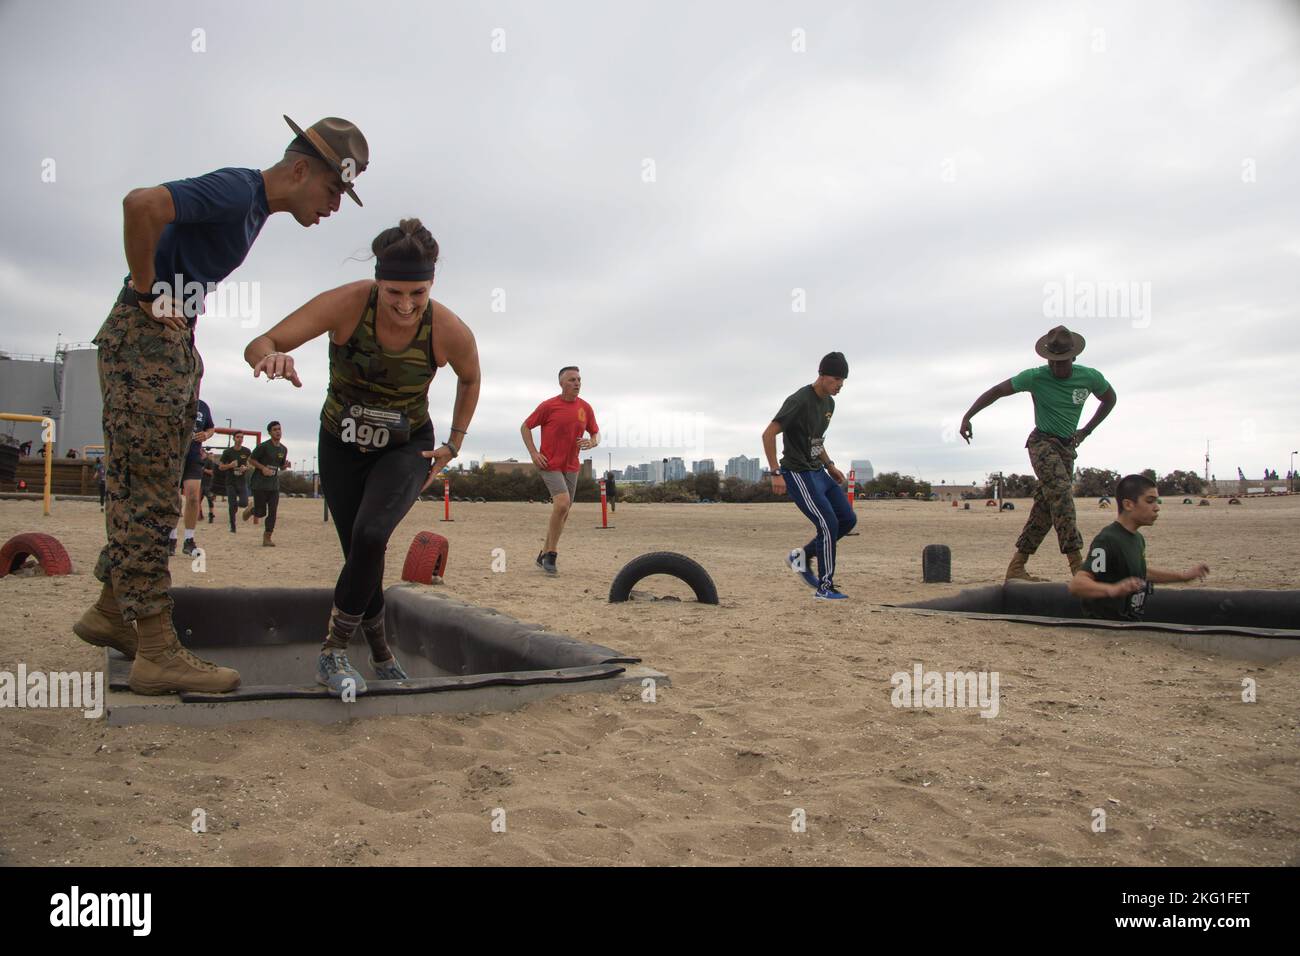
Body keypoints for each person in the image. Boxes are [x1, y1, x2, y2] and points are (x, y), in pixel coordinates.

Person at [73, 114, 369, 697]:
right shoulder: (240, 190)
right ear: (302, 169)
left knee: (153, 486)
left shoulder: (254, 208)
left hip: (168, 343)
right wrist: (146, 290)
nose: (334, 206)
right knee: (151, 495)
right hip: (145, 341)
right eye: (334, 190)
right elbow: (141, 205)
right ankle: (156, 650)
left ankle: (113, 611)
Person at [244, 218, 480, 695]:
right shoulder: (348, 304)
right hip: (341, 444)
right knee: (359, 550)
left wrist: (454, 442)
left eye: (418, 292)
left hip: (406, 445)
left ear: (432, 284)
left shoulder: (448, 328)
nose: (406, 305)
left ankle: (332, 651)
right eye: (394, 292)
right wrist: (271, 358)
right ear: (377, 280)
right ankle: (380, 649)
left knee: (373, 533)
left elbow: (470, 377)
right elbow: (262, 342)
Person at [959, 325, 1117, 582]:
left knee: (1045, 509)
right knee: (1063, 495)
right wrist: (968, 416)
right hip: (1042, 443)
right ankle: (1078, 567)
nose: (1057, 367)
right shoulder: (1034, 377)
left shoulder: (1090, 378)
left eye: (1062, 362)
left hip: (1067, 449)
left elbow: (1110, 399)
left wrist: (1087, 430)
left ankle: (1017, 566)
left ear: (1073, 357)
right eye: (1052, 362)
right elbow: (997, 391)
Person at [762, 352, 855, 600]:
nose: (840, 386)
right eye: (836, 380)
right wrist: (775, 472)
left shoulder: (829, 404)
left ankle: (799, 558)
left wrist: (830, 465)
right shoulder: (799, 401)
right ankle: (825, 588)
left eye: (843, 382)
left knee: (847, 520)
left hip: (817, 471)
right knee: (828, 524)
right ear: (822, 375)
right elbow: (768, 434)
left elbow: (816, 439)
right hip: (797, 472)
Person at [1068, 474, 1210, 620]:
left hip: (1131, 621)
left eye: (1156, 501)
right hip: (1108, 626)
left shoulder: (1137, 538)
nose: (1157, 508)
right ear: (1128, 504)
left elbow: (1138, 571)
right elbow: (1078, 584)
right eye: (1150, 501)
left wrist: (1183, 577)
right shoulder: (1107, 540)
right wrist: (1113, 589)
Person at [521, 367, 599, 574]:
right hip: (549, 464)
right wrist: (533, 453)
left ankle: (543, 552)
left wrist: (592, 442)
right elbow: (525, 426)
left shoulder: (585, 408)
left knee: (563, 511)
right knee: (562, 503)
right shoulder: (549, 406)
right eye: (572, 380)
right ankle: (552, 555)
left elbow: (596, 432)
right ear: (561, 383)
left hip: (572, 466)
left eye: (579, 379)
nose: (577, 383)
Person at [170, 398, 214, 556]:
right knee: (173, 498)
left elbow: (211, 427)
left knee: (194, 497)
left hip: (194, 457)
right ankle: (171, 537)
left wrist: (206, 435)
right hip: (172, 457)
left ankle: (189, 540)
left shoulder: (202, 405)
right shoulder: (172, 399)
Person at [244, 422, 288, 546]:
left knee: (273, 511)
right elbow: (251, 459)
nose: (278, 432)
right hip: (259, 484)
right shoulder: (263, 447)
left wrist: (285, 466)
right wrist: (263, 468)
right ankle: (253, 509)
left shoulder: (283, 449)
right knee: (261, 512)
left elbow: (281, 465)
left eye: (279, 429)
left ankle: (267, 537)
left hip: (273, 485)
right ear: (269, 432)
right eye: (274, 430)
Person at [219, 432, 252, 533]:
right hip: (230, 482)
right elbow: (220, 467)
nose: (240, 439)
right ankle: (232, 526)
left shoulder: (246, 451)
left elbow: (251, 464)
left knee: (244, 503)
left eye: (242, 437)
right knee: (231, 505)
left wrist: (245, 468)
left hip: (241, 481)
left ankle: (236, 506)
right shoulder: (227, 452)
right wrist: (230, 465)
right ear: (233, 438)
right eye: (238, 437)